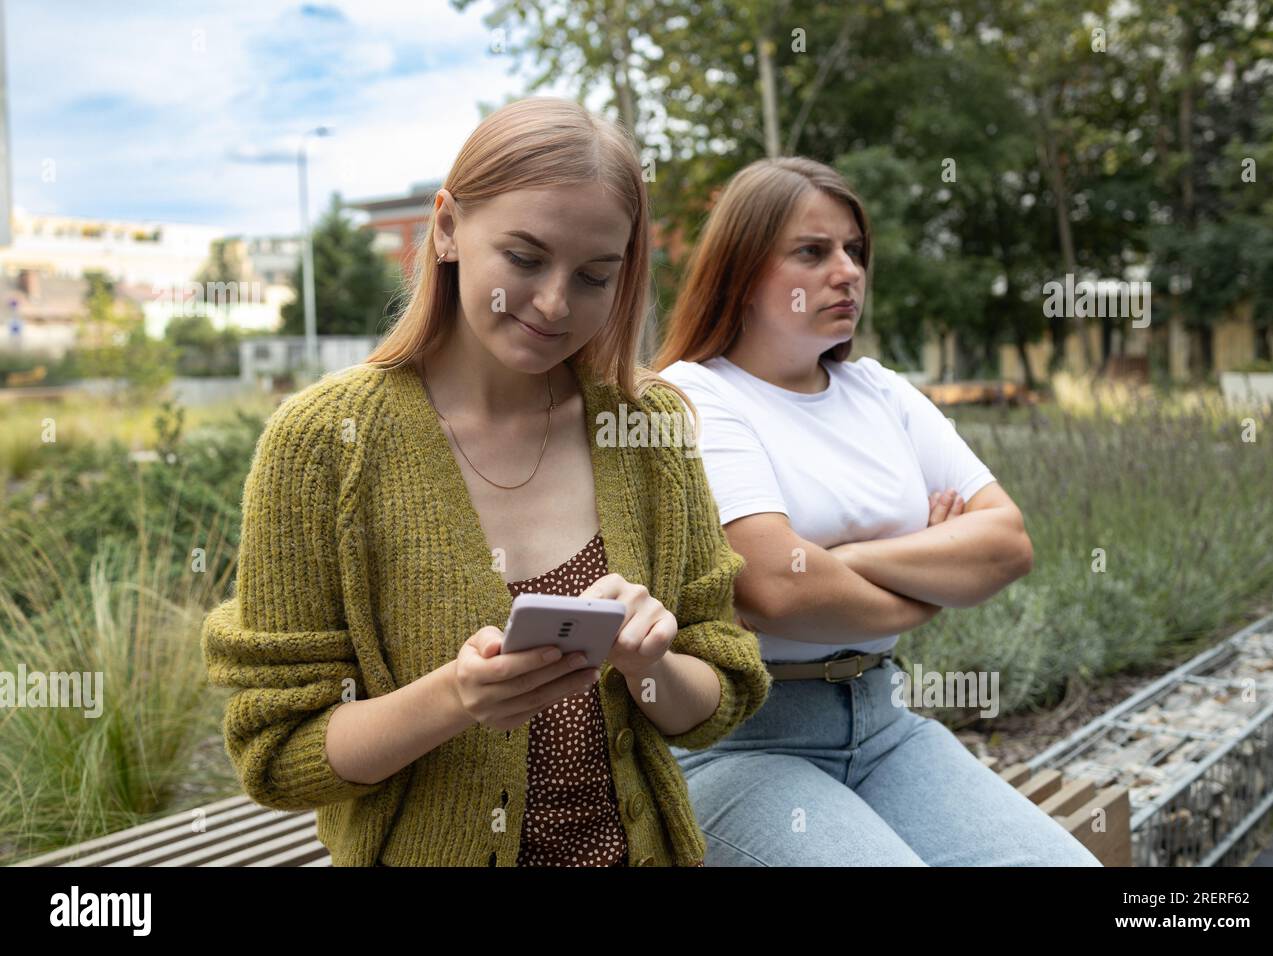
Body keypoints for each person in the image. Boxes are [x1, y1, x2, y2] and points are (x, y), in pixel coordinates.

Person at [200, 97, 769, 867]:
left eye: (596, 275)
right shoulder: (322, 447)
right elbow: (276, 751)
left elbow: (716, 700)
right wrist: (455, 699)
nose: (554, 304)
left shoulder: (650, 427)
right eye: (525, 258)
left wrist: (651, 664)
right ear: (446, 229)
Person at [653, 156, 1101, 866]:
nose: (848, 271)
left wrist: (847, 562)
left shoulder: (878, 391)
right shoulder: (694, 396)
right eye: (813, 251)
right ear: (740, 271)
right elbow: (776, 587)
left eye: (855, 251)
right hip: (744, 744)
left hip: (886, 724)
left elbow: (1007, 543)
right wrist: (926, 583)